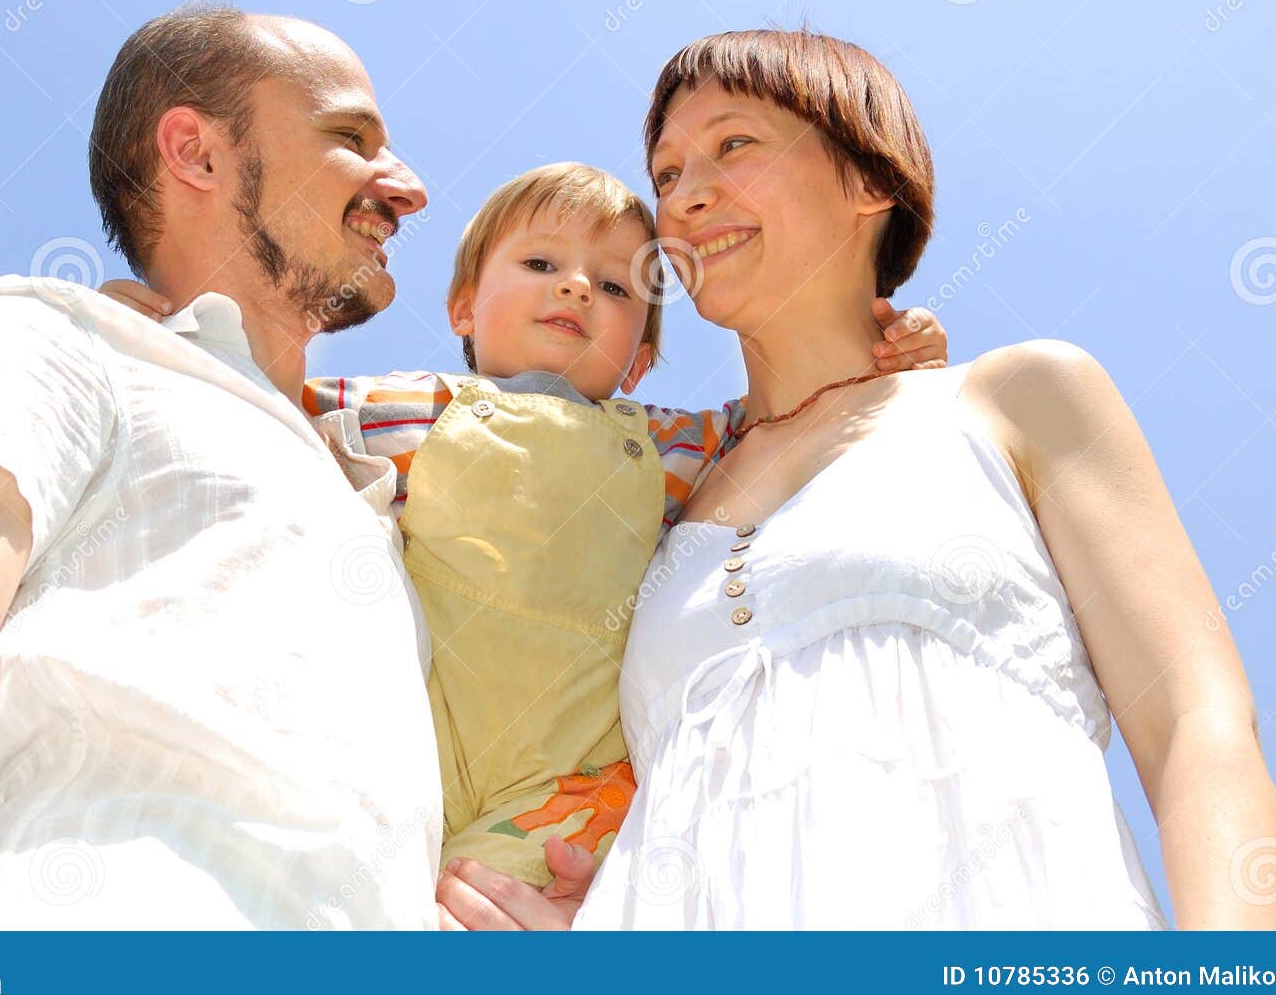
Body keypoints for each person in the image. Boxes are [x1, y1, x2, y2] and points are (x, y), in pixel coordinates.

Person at [562, 29, 1276, 929]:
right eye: (666, 174)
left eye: (734, 144)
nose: (686, 198)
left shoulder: (1015, 397)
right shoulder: (657, 500)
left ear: (869, 181)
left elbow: (1194, 719)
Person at [102, 163, 952, 893]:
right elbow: (253, 402)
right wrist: (162, 332)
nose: (578, 286)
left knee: (478, 923)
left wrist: (892, 351)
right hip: (411, 748)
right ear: (464, 307)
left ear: (640, 358)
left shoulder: (674, 442)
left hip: (574, 783)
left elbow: (798, 412)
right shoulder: (402, 406)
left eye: (617, 287)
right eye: (542, 262)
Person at [0, 6, 446, 928]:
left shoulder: (376, 496)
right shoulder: (64, 337)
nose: (409, 188)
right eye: (351, 137)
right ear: (197, 152)